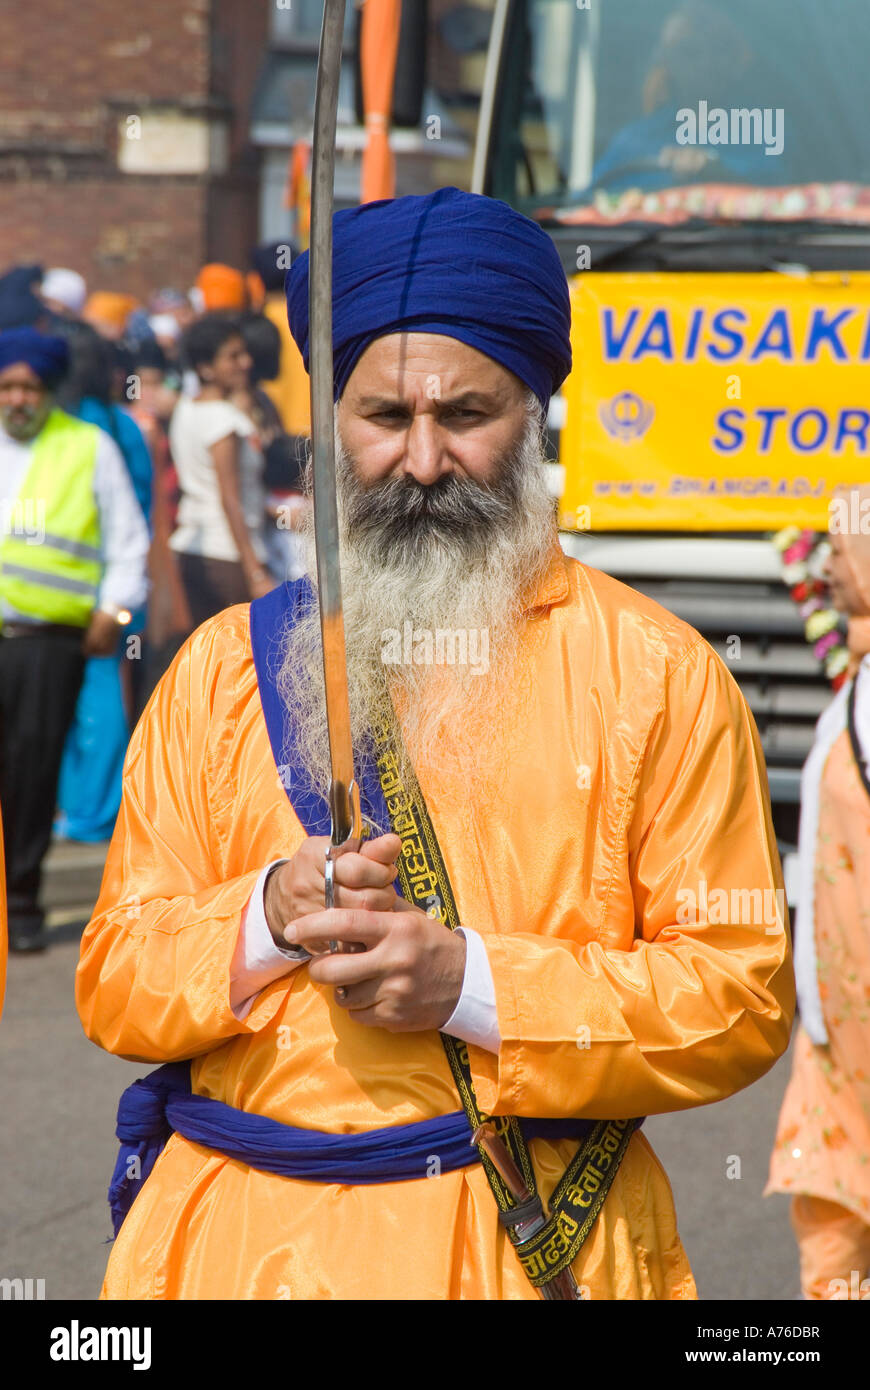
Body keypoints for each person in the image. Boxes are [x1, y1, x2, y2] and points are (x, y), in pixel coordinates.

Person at [77, 188, 793, 1301]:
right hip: (233, 1255)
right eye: (381, 418)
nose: (419, 460)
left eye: (465, 415)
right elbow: (115, 979)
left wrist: (473, 982)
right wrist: (264, 913)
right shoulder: (223, 666)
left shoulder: (659, 674)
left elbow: (738, 995)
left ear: (536, 414)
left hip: (531, 1246)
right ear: (329, 423)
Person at [0, 328, 149, 952]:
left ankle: (21, 904)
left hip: (48, 643)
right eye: (7, 386)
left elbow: (128, 542)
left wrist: (112, 614)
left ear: (48, 391)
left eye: (29, 387)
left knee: (31, 772)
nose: (17, 398)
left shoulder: (87, 447)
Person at [765, 486, 870, 1299]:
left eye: (841, 547)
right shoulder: (856, 683)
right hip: (842, 1038)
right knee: (835, 1229)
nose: (827, 562)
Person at [52, 326, 152, 842]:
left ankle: (89, 811)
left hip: (92, 593)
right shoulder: (124, 425)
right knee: (104, 695)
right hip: (120, 587)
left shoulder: (75, 430)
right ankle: (90, 805)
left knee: (91, 702)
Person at [168, 314, 273, 626]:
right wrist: (255, 571)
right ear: (205, 368)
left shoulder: (185, 408)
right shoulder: (223, 421)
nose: (246, 362)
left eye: (244, 353)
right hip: (227, 557)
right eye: (233, 356)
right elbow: (230, 499)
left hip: (192, 547)